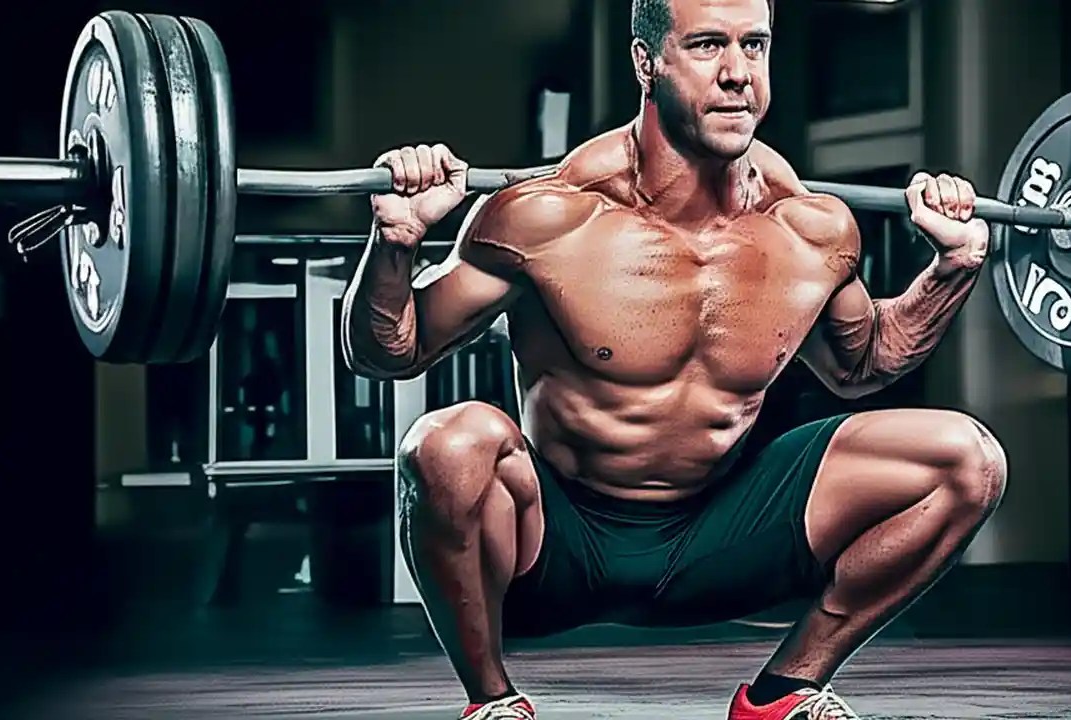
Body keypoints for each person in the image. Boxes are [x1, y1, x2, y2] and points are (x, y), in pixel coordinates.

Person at [341, 0, 1007, 717]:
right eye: (707, 45)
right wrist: (397, 242)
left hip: (722, 537)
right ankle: (493, 702)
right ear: (645, 61)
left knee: (966, 461)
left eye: (755, 46)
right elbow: (390, 353)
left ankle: (785, 692)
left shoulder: (809, 228)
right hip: (557, 549)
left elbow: (863, 366)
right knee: (444, 443)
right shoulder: (550, 216)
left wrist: (955, 267)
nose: (736, 75)